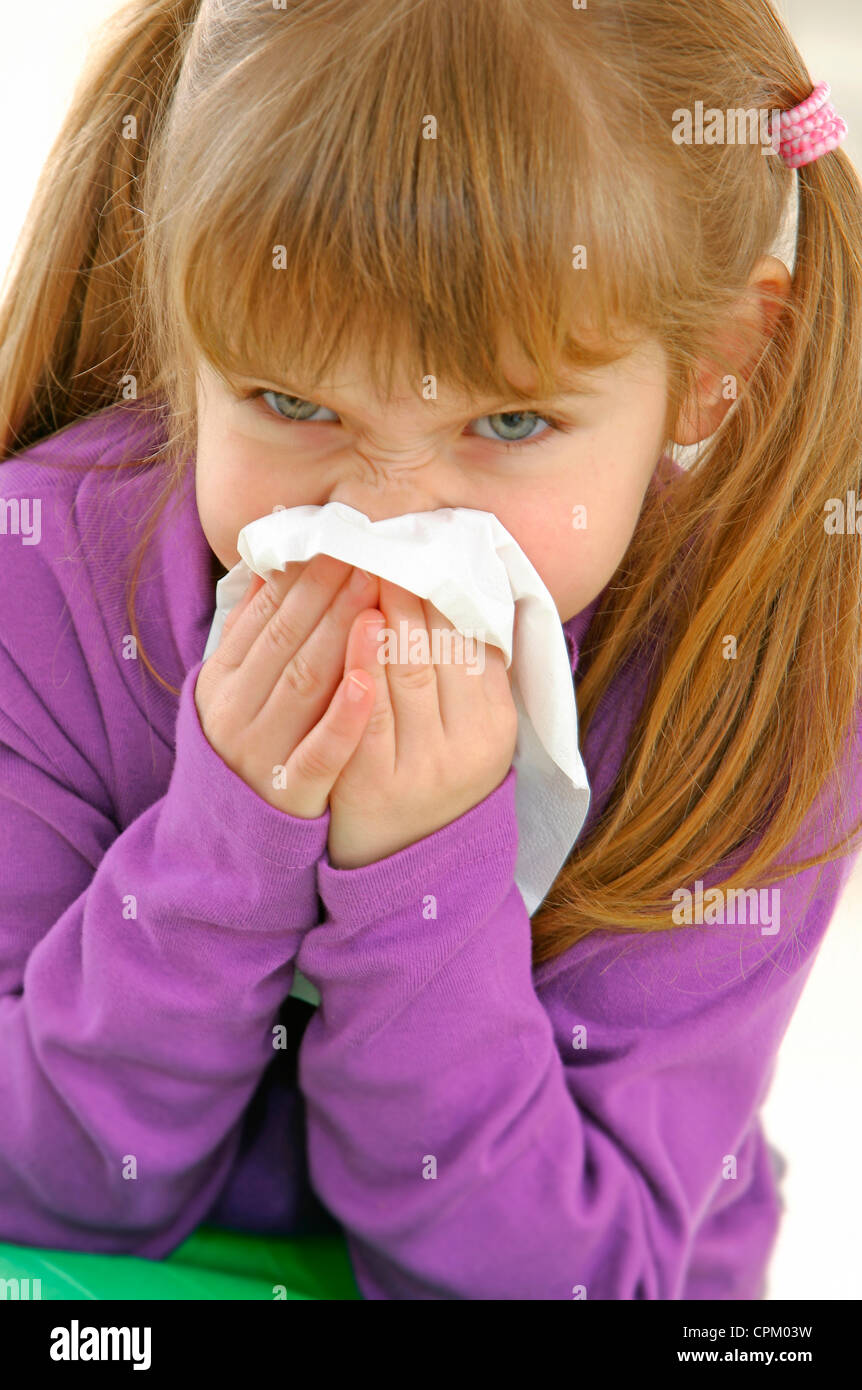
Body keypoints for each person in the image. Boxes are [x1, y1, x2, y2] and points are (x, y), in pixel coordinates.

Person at [0, 0, 859, 1300]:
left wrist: (420, 884)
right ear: (186, 331)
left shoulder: (754, 690)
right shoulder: (47, 579)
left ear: (715, 368)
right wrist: (225, 846)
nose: (382, 517)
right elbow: (42, 1186)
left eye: (508, 423)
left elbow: (562, 1282)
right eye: (290, 404)